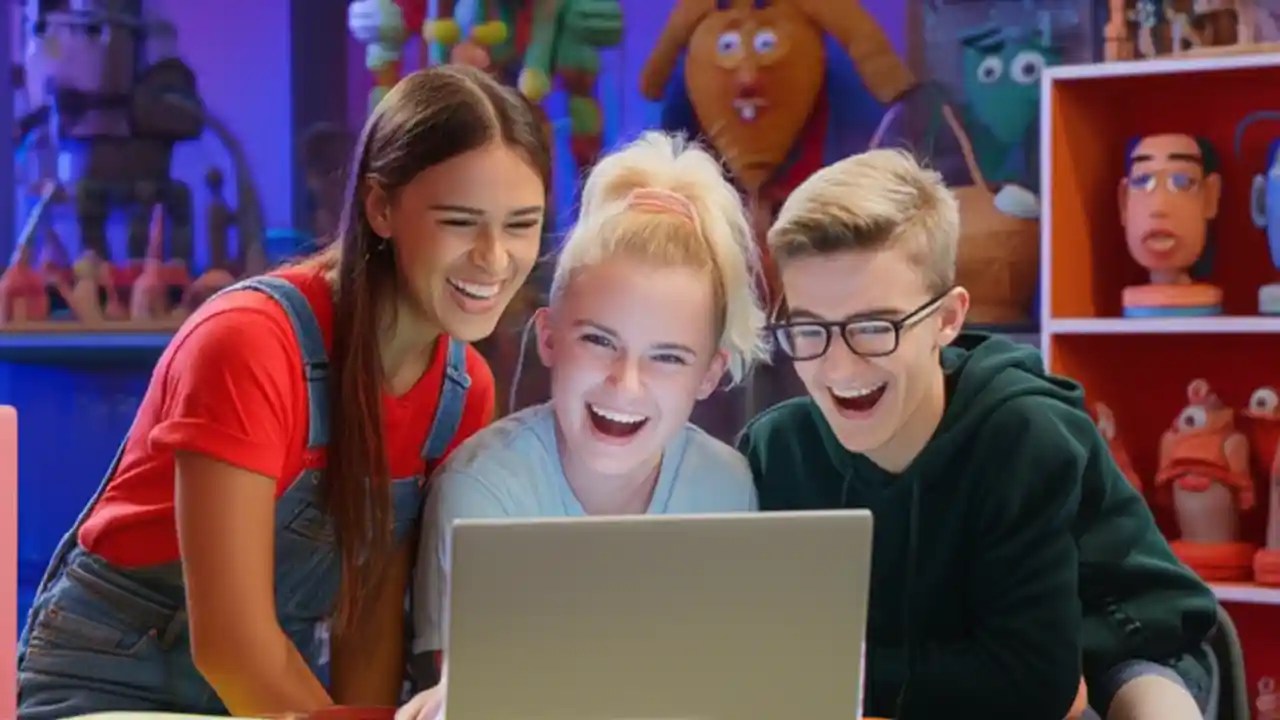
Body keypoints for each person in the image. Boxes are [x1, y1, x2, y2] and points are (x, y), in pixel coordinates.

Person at [16, 65, 551, 719]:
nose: (495, 258)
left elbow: (371, 616)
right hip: (104, 688)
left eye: (522, 225)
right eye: (461, 221)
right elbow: (232, 646)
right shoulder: (249, 343)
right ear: (380, 206)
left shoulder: (461, 393)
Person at [737, 149, 1220, 720]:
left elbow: (1035, 689)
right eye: (811, 329)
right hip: (958, 674)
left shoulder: (1024, 434)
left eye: (874, 328)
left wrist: (826, 674)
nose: (840, 368)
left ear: (947, 319)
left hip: (1118, 644)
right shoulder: (775, 450)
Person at [396, 131, 769, 720]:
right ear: (548, 338)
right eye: (599, 341)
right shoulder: (483, 488)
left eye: (667, 357)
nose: (625, 384)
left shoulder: (726, 485)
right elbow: (476, 698)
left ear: (709, 373)